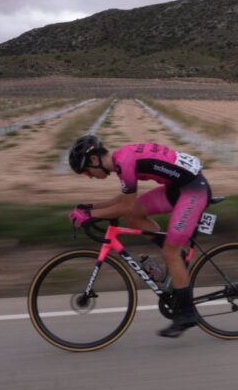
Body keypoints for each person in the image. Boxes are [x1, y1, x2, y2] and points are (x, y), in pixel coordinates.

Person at [67, 135, 211, 338]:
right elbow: (127, 202)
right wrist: (92, 207)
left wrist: (91, 216)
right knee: (134, 215)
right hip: (176, 188)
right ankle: (174, 252)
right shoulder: (121, 160)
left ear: (93, 160)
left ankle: (187, 314)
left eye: (86, 171)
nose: (89, 176)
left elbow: (124, 205)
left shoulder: (124, 162)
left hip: (193, 191)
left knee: (170, 251)